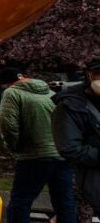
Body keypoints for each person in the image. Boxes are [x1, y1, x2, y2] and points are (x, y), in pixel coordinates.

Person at [0, 67, 76, 223]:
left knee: (21, 201)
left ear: (6, 84)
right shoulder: (50, 94)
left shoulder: (12, 93)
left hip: (33, 155)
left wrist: (13, 146)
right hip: (60, 154)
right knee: (64, 201)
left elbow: (7, 123)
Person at [52, 59, 100, 217]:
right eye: (97, 74)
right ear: (89, 76)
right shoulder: (70, 106)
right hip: (94, 181)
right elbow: (70, 148)